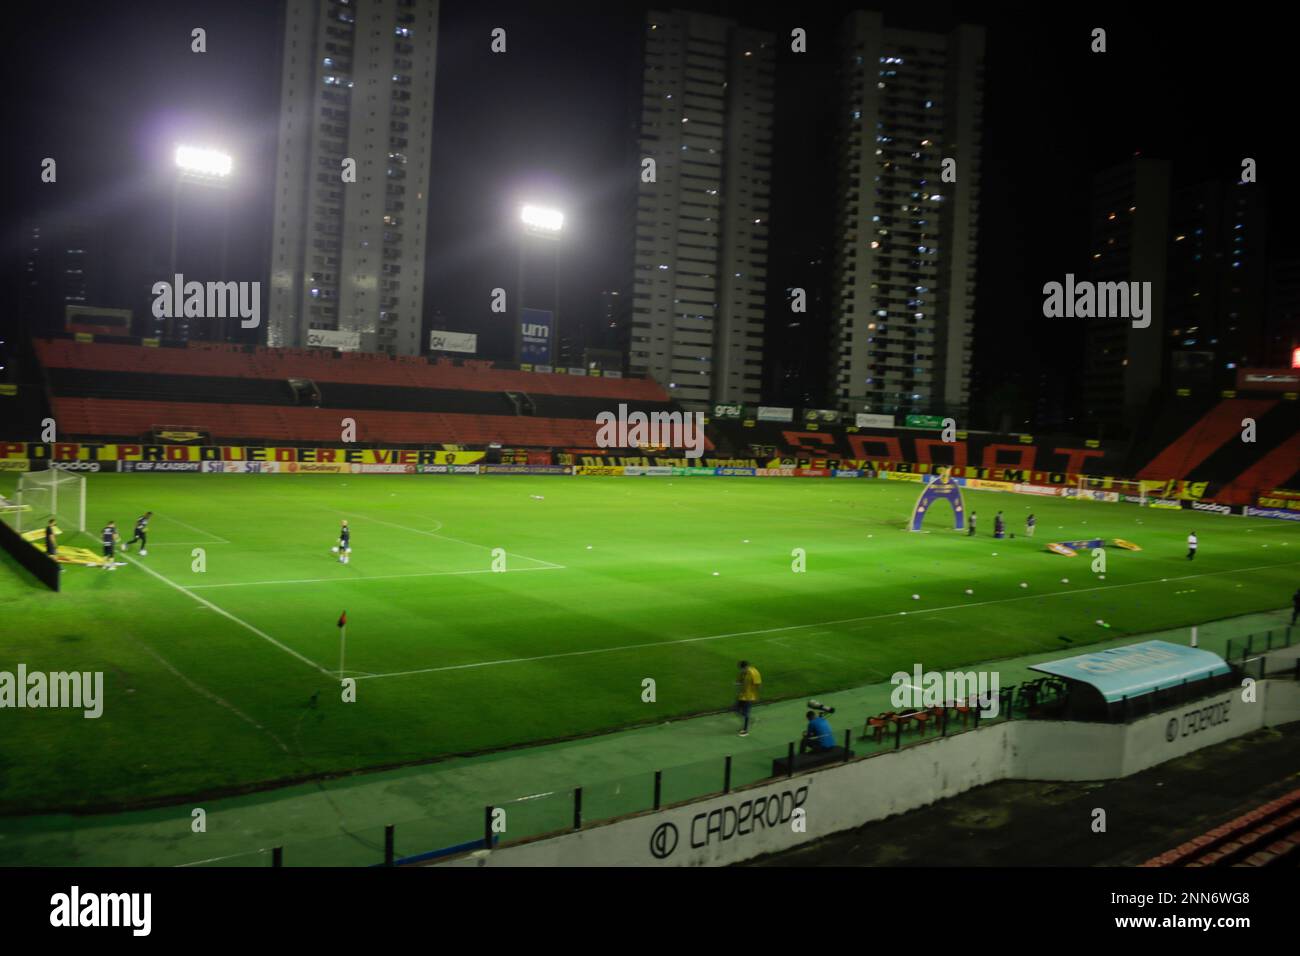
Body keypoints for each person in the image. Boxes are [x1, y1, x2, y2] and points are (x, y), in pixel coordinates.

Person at [735, 660, 762, 737]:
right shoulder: (743, 673)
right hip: (742, 695)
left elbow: (758, 684)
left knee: (746, 713)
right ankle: (749, 719)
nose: (741, 670)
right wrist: (738, 683)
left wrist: (757, 696)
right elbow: (740, 681)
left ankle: (745, 730)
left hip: (750, 697)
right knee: (736, 709)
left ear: (746, 667)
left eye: (742, 669)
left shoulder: (754, 672)